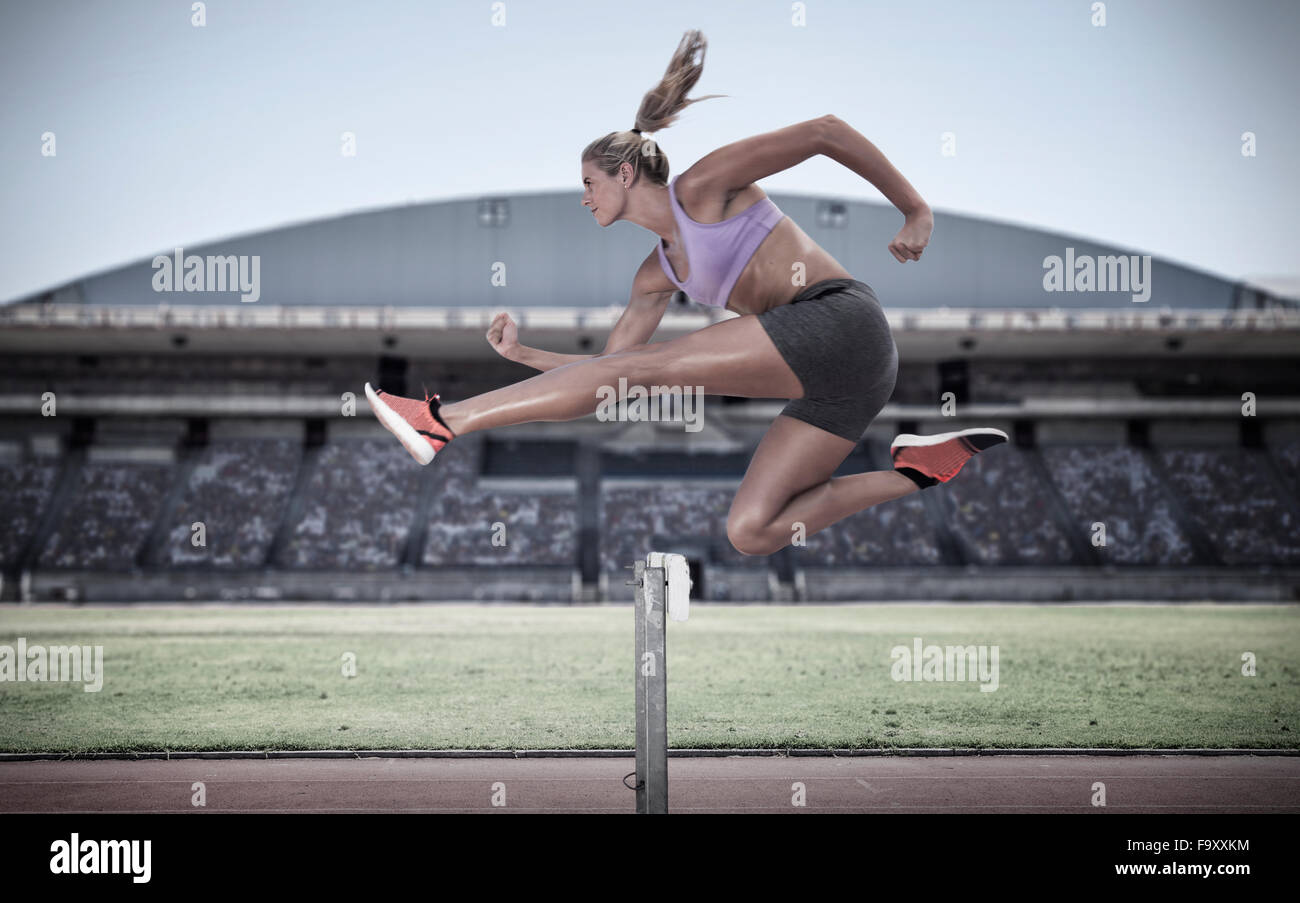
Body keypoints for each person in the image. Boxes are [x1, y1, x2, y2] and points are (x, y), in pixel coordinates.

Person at [366, 29, 1005, 557]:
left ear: (624, 172)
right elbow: (609, 379)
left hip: (840, 321)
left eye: (588, 181)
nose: (583, 197)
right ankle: (917, 469)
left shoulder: (704, 189)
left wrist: (915, 209)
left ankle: (444, 422)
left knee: (654, 368)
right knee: (751, 531)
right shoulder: (655, 275)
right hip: (843, 383)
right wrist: (526, 356)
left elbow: (827, 131)